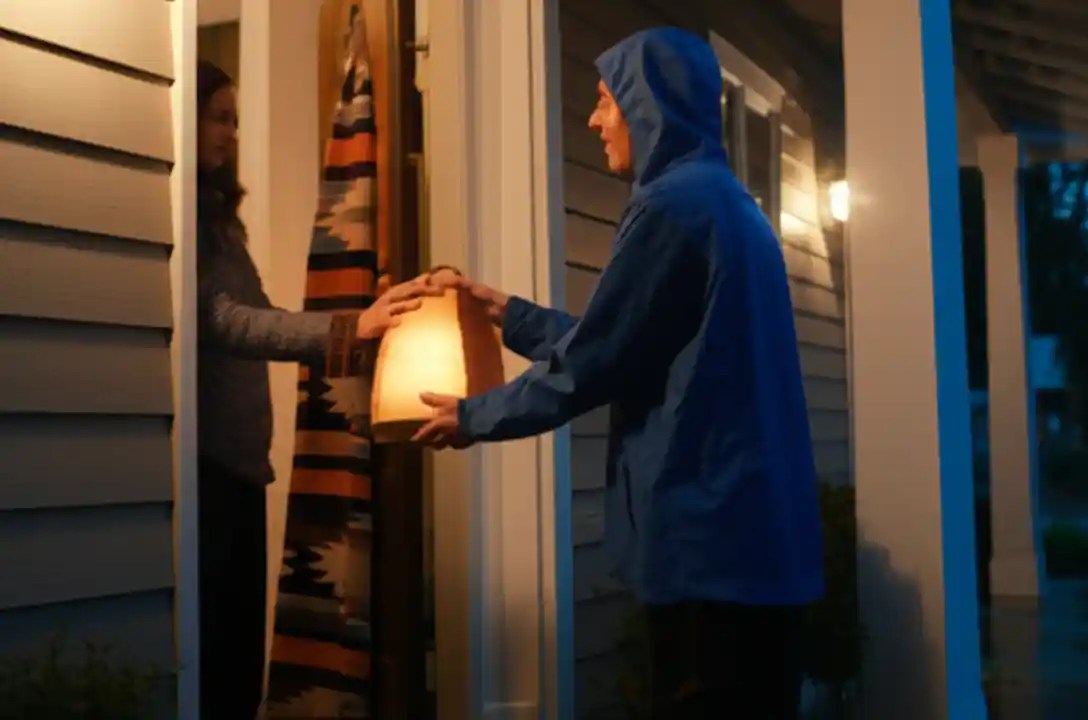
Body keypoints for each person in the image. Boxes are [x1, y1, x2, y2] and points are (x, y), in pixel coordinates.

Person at [414, 29, 824, 719]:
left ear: (649, 104)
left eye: (605, 101)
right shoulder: (725, 202)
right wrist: (506, 312)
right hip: (750, 540)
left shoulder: (671, 206)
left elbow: (597, 362)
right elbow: (631, 340)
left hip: (708, 543)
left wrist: (472, 415)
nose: (594, 121)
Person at [195, 60, 428, 720]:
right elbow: (227, 322)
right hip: (209, 474)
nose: (230, 132)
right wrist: (351, 328)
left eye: (234, 119)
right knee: (218, 662)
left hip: (243, 470)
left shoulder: (221, 223)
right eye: (218, 116)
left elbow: (264, 312)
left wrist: (361, 326)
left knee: (240, 662)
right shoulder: (187, 222)